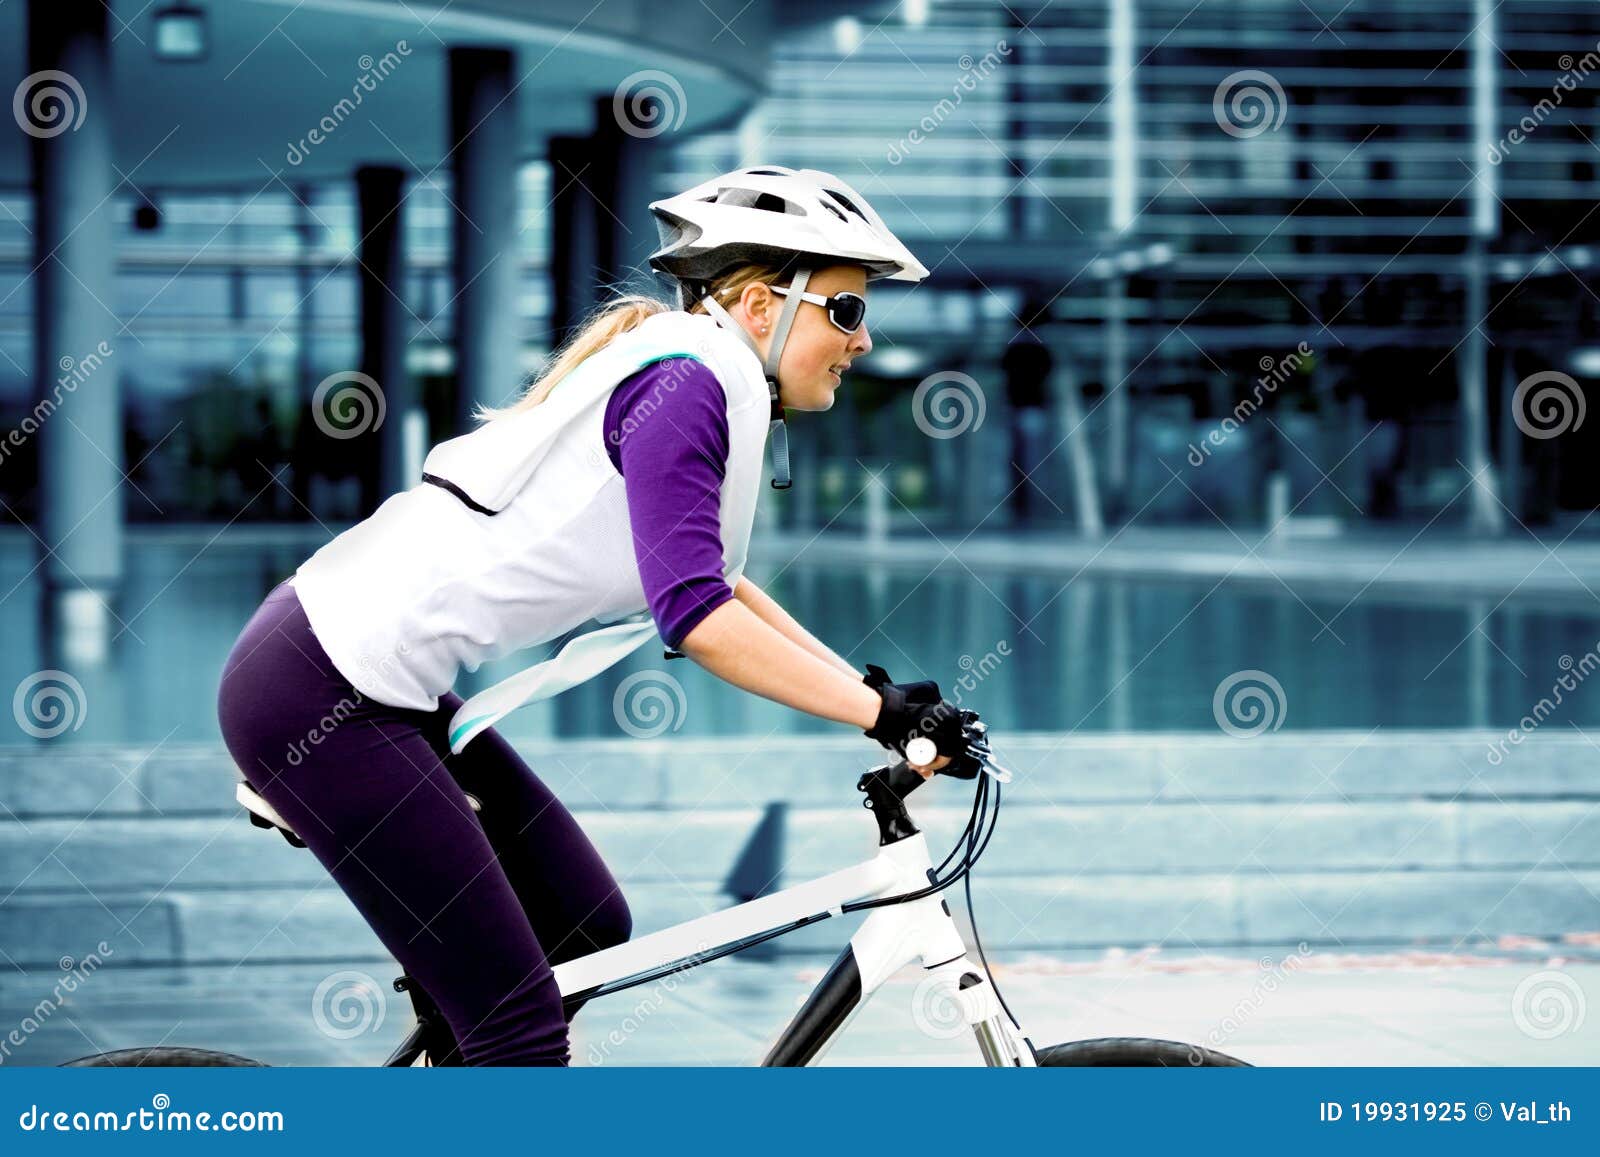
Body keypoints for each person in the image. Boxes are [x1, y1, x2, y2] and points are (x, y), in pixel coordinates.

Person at [215, 166, 974, 1067]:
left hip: (369, 680)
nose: (863, 338)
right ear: (765, 306)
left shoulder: (707, 376)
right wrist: (877, 715)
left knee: (581, 922)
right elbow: (694, 618)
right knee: (521, 1035)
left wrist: (873, 692)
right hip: (318, 689)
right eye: (846, 311)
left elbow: (720, 584)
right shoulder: (688, 385)